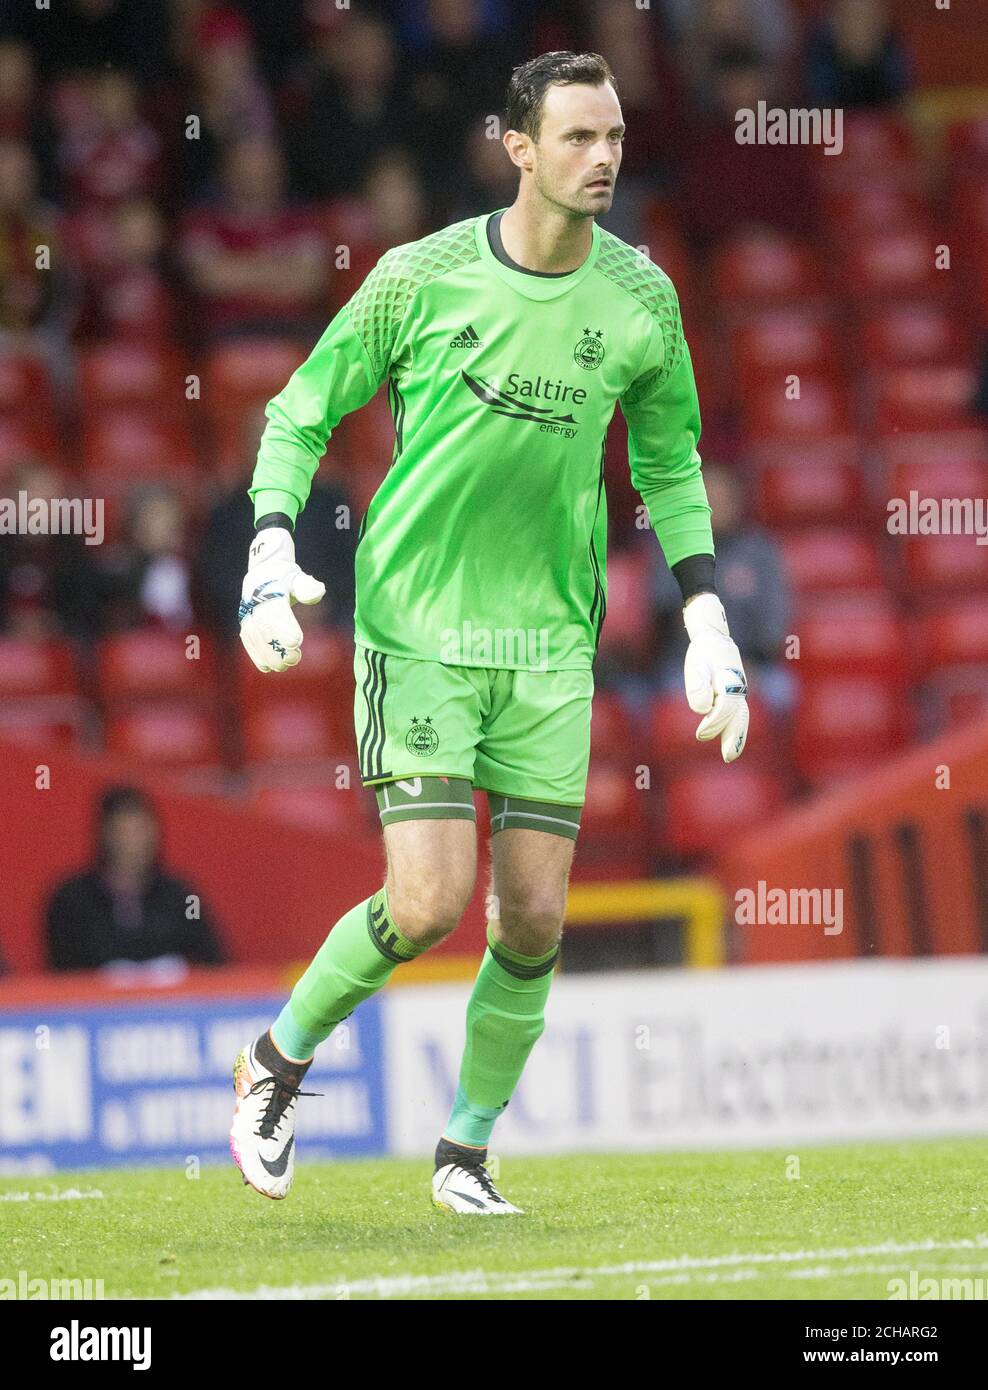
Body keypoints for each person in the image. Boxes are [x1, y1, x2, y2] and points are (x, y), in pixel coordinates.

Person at [229, 51, 750, 1214]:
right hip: (415, 625)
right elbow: (299, 408)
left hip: (551, 645)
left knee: (534, 915)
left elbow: (668, 464)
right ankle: (275, 1061)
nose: (602, 156)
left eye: (612, 135)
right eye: (574, 137)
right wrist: (271, 544)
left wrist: (706, 610)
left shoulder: (643, 299)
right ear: (517, 148)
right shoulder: (418, 279)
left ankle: (463, 1153)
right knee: (426, 903)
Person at [45, 785, 226, 972]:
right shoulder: (70, 900)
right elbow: (63, 974)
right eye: (125, 831)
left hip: (171, 1000)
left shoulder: (184, 898)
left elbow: (213, 963)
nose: (135, 842)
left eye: (141, 830)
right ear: (104, 834)